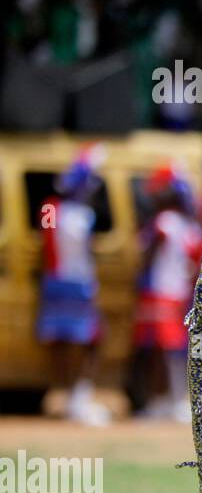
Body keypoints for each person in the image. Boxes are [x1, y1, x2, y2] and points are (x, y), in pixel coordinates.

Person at [37, 145, 111, 426]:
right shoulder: (84, 216)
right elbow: (85, 251)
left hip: (54, 282)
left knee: (62, 342)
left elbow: (45, 236)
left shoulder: (49, 208)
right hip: (78, 284)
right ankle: (77, 397)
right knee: (90, 340)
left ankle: (69, 396)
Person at [133, 163, 202, 422]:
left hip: (160, 291)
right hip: (177, 294)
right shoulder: (188, 226)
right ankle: (169, 400)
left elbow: (149, 254)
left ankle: (168, 400)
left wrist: (139, 278)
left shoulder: (165, 222)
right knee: (171, 351)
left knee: (163, 352)